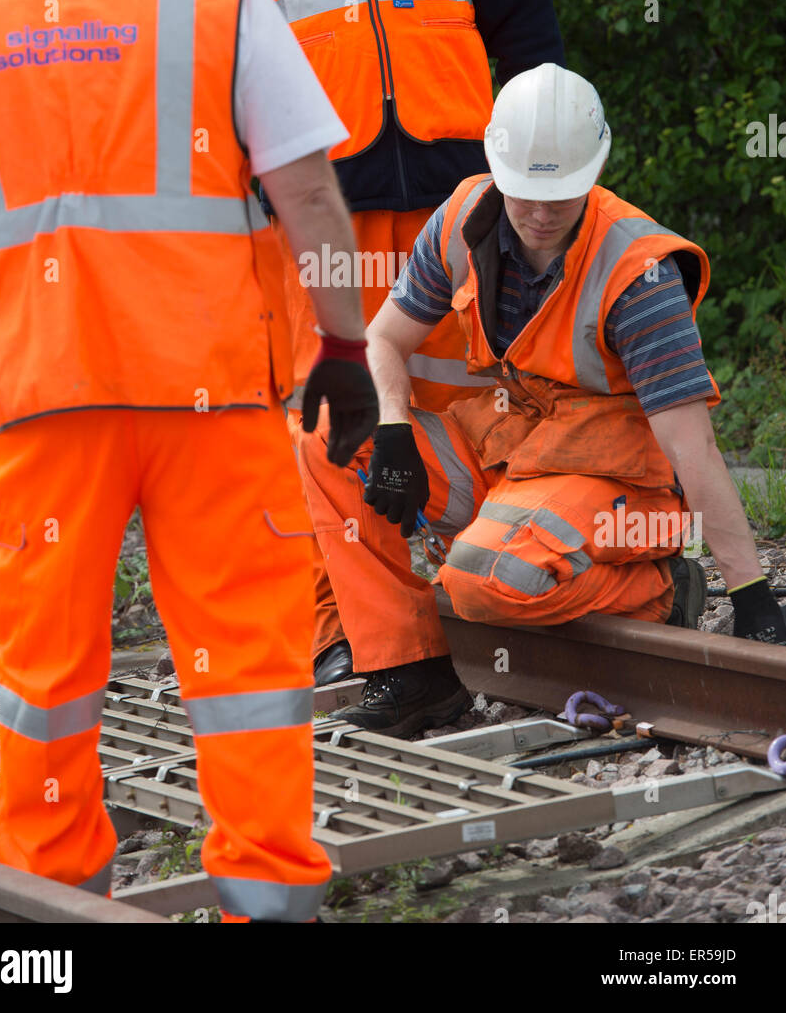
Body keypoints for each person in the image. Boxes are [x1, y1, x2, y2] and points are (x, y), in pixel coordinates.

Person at [0, 0, 378, 922]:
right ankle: (265, 900)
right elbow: (310, 194)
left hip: (45, 401)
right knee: (246, 667)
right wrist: (342, 342)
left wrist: (23, 302)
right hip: (212, 394)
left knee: (46, 673)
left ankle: (44, 915)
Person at [179, 0, 565, 683]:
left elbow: (521, 20)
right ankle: (384, 650)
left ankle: (522, 587)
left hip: (460, 198)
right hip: (319, 217)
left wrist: (542, 163)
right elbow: (195, 69)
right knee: (335, 426)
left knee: (482, 402)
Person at [296, 64, 786, 738]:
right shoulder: (461, 220)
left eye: (560, 196)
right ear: (496, 166)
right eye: (524, 192)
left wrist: (750, 593)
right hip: (510, 455)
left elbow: (690, 445)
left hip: (613, 480)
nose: (539, 213)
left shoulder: (636, 272)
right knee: (326, 432)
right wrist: (391, 430)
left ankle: (661, 588)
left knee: (478, 582)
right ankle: (412, 671)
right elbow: (381, 339)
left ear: (595, 173)